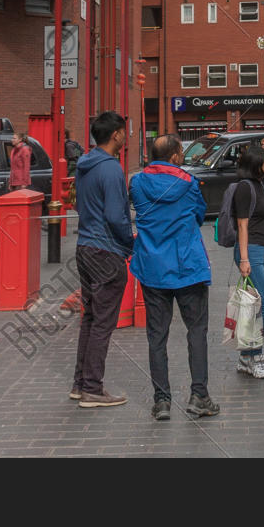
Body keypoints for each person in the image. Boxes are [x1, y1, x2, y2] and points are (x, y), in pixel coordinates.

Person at [130, 134, 219, 421]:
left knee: (157, 335)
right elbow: (198, 216)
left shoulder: (137, 182)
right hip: (186, 265)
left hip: (152, 266)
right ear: (175, 155)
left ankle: (162, 401)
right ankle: (199, 395)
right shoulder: (189, 183)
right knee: (196, 330)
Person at [70, 111, 134, 408]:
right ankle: (93, 389)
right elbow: (115, 215)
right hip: (106, 249)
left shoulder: (85, 164)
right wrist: (128, 241)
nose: (126, 136)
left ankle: (80, 384)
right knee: (102, 323)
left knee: (91, 317)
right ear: (116, 135)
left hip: (84, 246)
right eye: (124, 131)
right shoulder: (110, 168)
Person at [230, 146, 264, 379]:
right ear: (255, 163)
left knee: (251, 307)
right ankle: (254, 356)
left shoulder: (258, 184)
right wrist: (245, 258)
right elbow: (242, 225)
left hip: (260, 250)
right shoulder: (245, 188)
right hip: (251, 253)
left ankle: (246, 359)